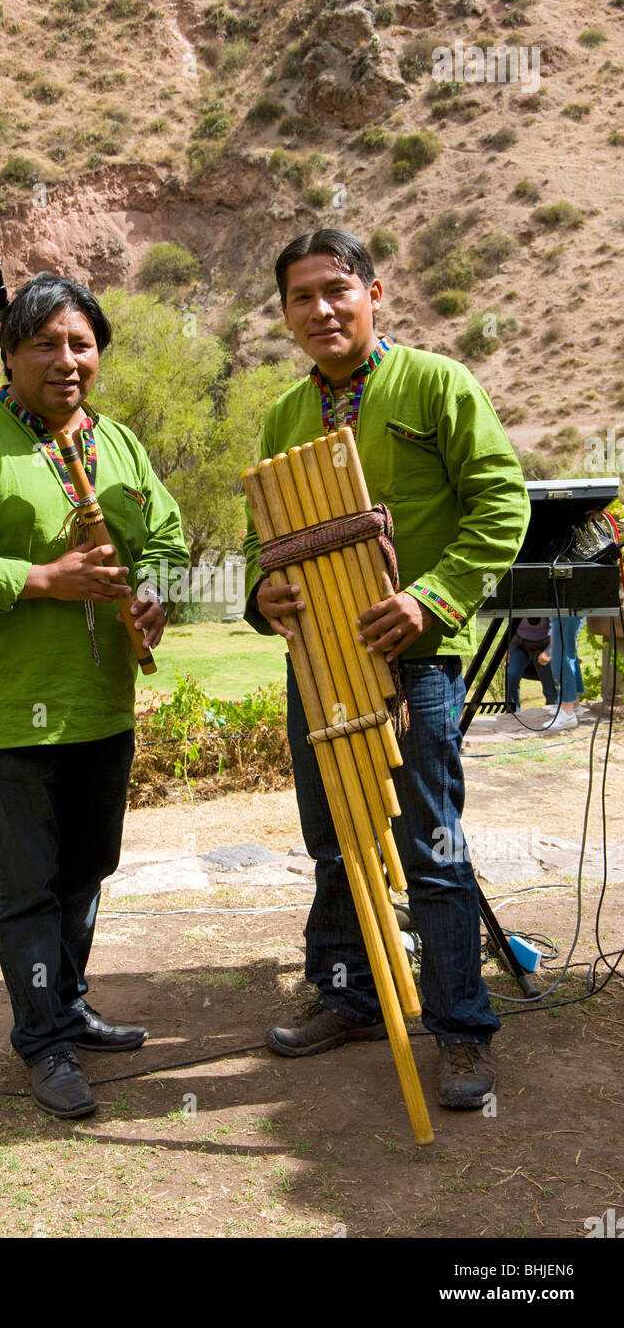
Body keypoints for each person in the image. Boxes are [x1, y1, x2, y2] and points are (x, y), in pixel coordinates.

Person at [243, 229, 530, 1109]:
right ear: (285, 314)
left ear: (375, 292)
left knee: (430, 847)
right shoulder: (286, 415)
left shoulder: (437, 382)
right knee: (334, 837)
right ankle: (349, 996)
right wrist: (267, 596)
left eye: (337, 289)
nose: (320, 309)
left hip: (417, 661)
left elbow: (500, 501)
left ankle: (460, 1031)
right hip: (319, 660)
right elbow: (268, 546)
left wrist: (429, 600)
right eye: (301, 296)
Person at [0, 273, 188, 1119]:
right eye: (45, 344)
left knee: (84, 871)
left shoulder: (121, 444)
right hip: (14, 709)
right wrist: (42, 578)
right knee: (26, 883)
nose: (66, 361)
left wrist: (156, 589)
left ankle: (62, 1005)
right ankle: (40, 1042)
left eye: (80, 344)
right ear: (9, 354)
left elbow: (168, 537)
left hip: (101, 703)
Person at [505, 617, 557, 712]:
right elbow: (511, 627)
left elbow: (556, 629)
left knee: (550, 685)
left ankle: (553, 712)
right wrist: (508, 650)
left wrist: (549, 652)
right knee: (511, 675)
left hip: (544, 646)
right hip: (520, 644)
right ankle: (512, 712)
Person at [543, 615, 584, 730]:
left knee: (561, 656)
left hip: (567, 608)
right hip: (567, 608)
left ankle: (567, 713)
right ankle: (573, 704)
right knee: (567, 652)